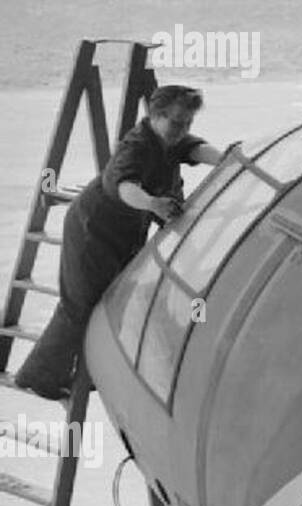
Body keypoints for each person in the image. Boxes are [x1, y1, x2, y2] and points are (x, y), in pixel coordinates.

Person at [14, 85, 227, 401]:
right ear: (156, 116)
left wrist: (226, 161)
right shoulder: (136, 146)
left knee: (115, 301)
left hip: (123, 231)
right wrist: (153, 204)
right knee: (80, 303)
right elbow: (125, 187)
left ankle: (90, 370)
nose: (183, 130)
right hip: (92, 228)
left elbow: (195, 149)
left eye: (188, 123)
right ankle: (37, 375)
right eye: (177, 123)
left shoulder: (171, 140)